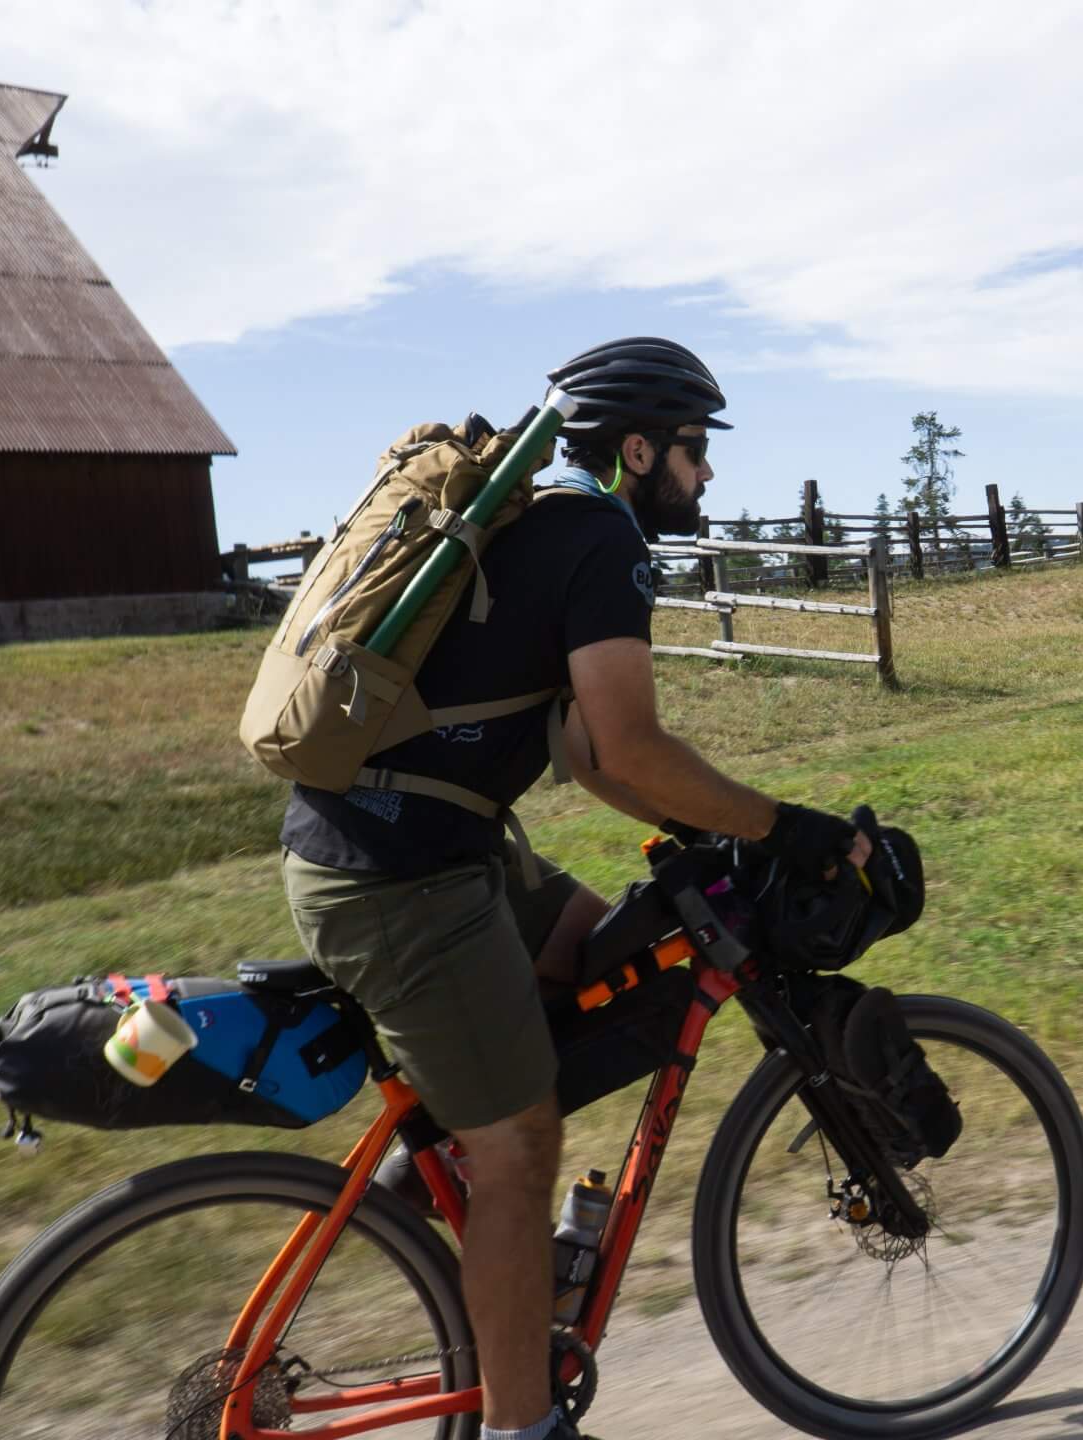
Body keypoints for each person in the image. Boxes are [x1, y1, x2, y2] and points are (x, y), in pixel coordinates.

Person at [278, 336, 869, 1440]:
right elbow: (634, 746)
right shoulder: (600, 538)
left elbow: (594, 760)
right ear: (637, 448)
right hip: (399, 879)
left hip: (436, 847)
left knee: (617, 964)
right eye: (694, 451)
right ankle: (519, 1423)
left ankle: (451, 1177)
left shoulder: (547, 521)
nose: (705, 474)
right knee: (521, 1146)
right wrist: (783, 829)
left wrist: (710, 833)